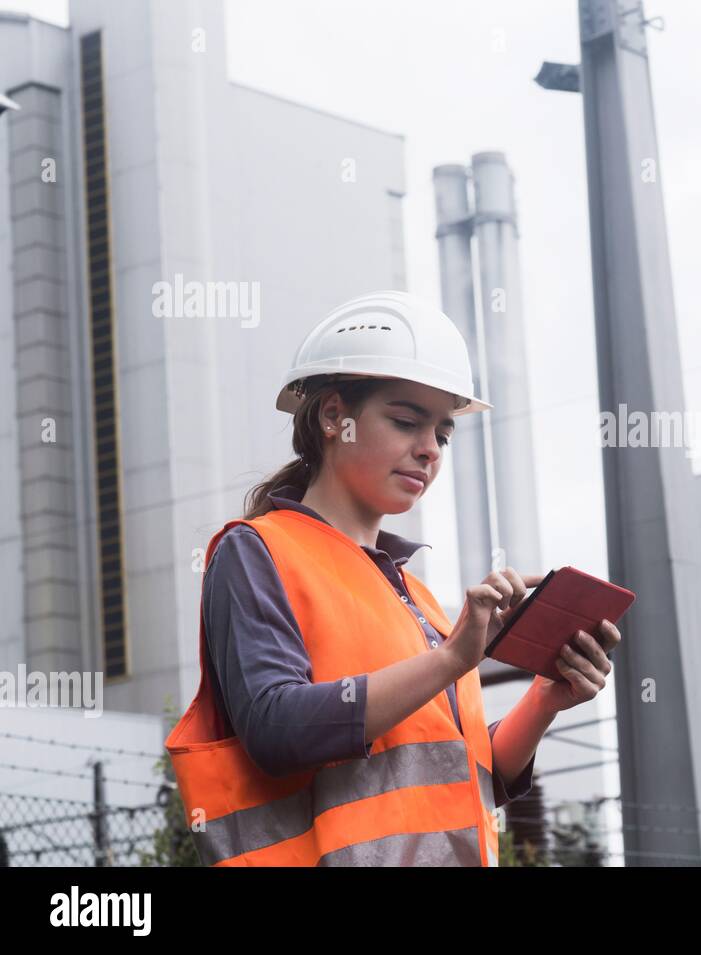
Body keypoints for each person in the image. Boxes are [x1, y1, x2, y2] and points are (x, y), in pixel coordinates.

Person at [165, 290, 620, 866]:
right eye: (407, 422)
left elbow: (468, 773)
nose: (429, 450)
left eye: (444, 434)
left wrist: (548, 697)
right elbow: (275, 730)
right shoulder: (256, 553)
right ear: (334, 416)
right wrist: (452, 659)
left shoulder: (418, 600)